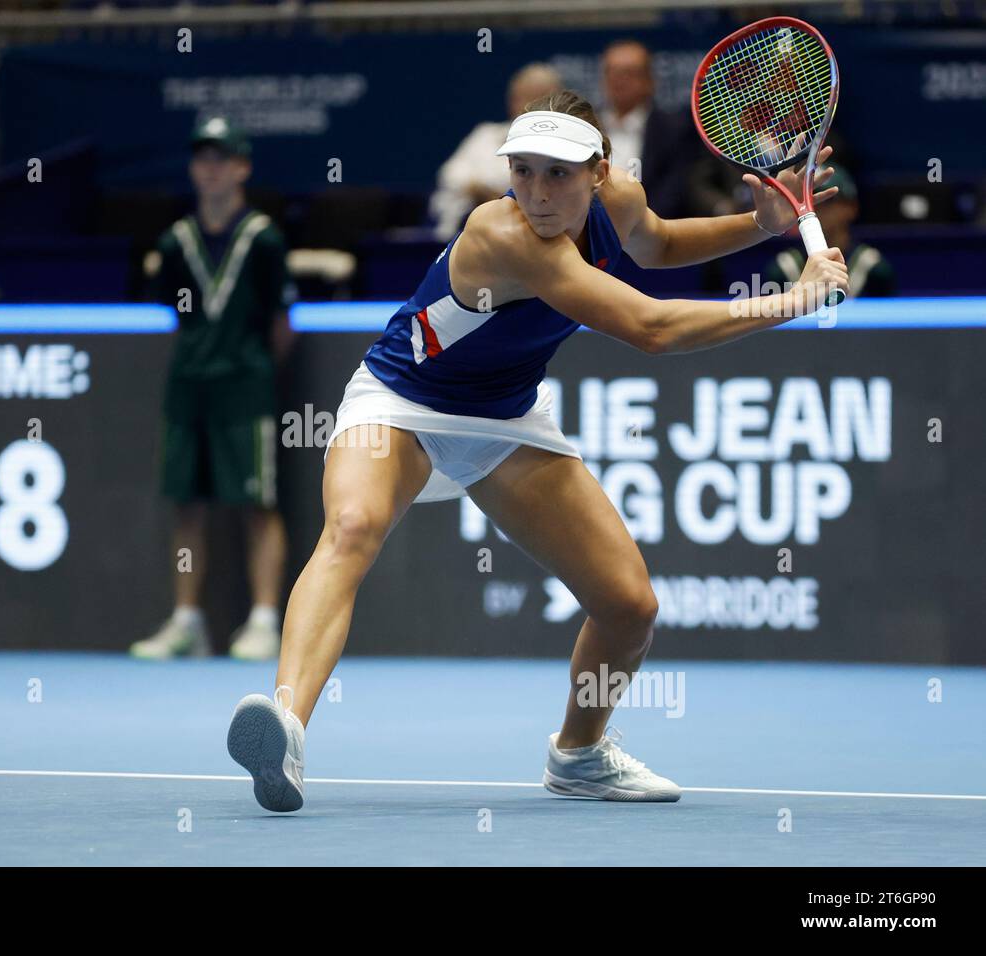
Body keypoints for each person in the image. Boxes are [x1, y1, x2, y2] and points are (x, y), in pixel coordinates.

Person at [226, 89, 847, 813]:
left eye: (558, 173)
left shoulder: (620, 201)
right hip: (400, 402)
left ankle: (579, 754)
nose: (538, 191)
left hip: (505, 418)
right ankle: (288, 726)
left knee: (628, 606)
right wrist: (787, 302)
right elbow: (650, 328)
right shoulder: (504, 234)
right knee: (353, 528)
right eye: (522, 171)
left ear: (599, 172)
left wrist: (757, 225)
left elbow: (658, 245)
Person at [132, 116, 297, 661]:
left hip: (246, 389)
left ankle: (265, 620)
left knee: (258, 505)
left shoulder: (265, 239)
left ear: (242, 167)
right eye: (203, 158)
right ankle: (186, 622)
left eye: (222, 158)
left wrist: (244, 367)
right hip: (188, 388)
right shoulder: (174, 242)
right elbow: (178, 317)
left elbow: (280, 327)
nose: (211, 168)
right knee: (188, 506)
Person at [428, 63, 563, 241]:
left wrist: (497, 194)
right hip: (467, 232)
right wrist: (478, 189)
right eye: (523, 96)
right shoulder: (485, 134)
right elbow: (451, 175)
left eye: (539, 96)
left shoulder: (566, 146)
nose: (529, 105)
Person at [762, 164, 896, 297]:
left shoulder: (875, 269)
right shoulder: (782, 269)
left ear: (851, 207)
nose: (814, 207)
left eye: (828, 200)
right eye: (811, 199)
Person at [598, 39, 694, 220]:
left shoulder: (674, 130)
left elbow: (675, 192)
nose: (619, 80)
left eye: (628, 72)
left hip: (650, 231)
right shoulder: (585, 126)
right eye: (612, 72)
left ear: (649, 80)